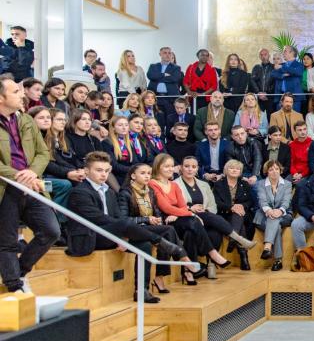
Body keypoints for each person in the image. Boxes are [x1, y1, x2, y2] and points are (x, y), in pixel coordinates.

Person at [67, 152, 190, 302]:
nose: (104, 174)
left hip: (110, 233)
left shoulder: (109, 191)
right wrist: (121, 231)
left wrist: (123, 233)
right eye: (99, 170)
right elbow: (98, 219)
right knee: (126, 223)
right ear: (86, 171)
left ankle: (142, 291)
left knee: (144, 245)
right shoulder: (79, 192)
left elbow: (118, 217)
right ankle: (160, 241)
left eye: (106, 171)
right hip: (89, 237)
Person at [0, 78, 59, 293]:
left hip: (32, 185)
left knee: (51, 231)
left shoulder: (25, 119)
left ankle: (20, 271)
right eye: (16, 91)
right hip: (6, 187)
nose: (22, 94)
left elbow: (43, 152)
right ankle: (14, 285)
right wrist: (19, 175)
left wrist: (32, 172)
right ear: (1, 98)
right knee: (7, 241)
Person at [148, 153, 236, 281]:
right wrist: (191, 213)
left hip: (177, 219)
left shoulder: (174, 185)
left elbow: (183, 206)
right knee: (193, 220)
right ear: (158, 167)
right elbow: (166, 208)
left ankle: (189, 271)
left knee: (190, 231)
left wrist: (180, 214)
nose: (170, 169)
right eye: (166, 166)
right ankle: (212, 253)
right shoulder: (153, 183)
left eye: (172, 166)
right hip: (164, 220)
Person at [117, 162, 197, 289]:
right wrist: (147, 219)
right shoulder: (125, 193)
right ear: (133, 176)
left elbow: (157, 212)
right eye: (143, 173)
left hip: (148, 227)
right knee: (168, 230)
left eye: (149, 173)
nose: (147, 176)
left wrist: (158, 220)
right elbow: (123, 219)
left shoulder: (150, 191)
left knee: (168, 233)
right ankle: (184, 261)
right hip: (133, 229)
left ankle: (162, 275)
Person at [175, 156, 248, 278]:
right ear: (181, 168)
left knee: (215, 233)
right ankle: (235, 238)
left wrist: (205, 210)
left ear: (197, 169)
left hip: (205, 219)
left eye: (193, 167)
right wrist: (190, 209)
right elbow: (174, 205)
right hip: (186, 219)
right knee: (190, 232)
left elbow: (213, 206)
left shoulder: (204, 184)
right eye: (186, 166)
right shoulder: (175, 184)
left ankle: (206, 265)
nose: (190, 169)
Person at [213, 159, 255, 270]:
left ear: (240, 171)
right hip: (224, 214)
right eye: (231, 168)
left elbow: (250, 201)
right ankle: (244, 257)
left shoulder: (244, 184)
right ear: (226, 170)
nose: (234, 170)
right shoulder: (218, 184)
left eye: (237, 169)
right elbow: (216, 202)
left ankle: (233, 238)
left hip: (242, 214)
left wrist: (242, 206)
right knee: (239, 221)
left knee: (238, 215)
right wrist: (231, 207)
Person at [255, 159, 294, 270]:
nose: (274, 171)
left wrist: (280, 211)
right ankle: (278, 260)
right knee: (275, 224)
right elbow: (262, 201)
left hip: (284, 215)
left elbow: (286, 201)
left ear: (280, 171)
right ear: (266, 171)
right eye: (271, 169)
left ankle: (267, 247)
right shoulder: (261, 184)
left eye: (277, 169)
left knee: (274, 220)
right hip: (263, 217)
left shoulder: (287, 184)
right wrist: (269, 211)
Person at [270, 46, 305, 111]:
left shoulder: (299, 65)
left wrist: (282, 68)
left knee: (294, 117)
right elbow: (273, 73)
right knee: (279, 117)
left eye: (285, 51)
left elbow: (297, 72)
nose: (283, 53)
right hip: (280, 97)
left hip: (294, 98)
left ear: (292, 53)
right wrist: (282, 75)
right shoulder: (282, 64)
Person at [251, 48, 275, 117]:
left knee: (270, 117)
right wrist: (258, 92)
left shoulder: (273, 67)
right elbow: (252, 81)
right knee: (258, 117)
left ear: (269, 55)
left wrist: (267, 93)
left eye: (265, 54)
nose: (263, 56)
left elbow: (275, 82)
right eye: (261, 55)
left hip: (270, 97)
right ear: (259, 56)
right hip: (259, 98)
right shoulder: (256, 67)